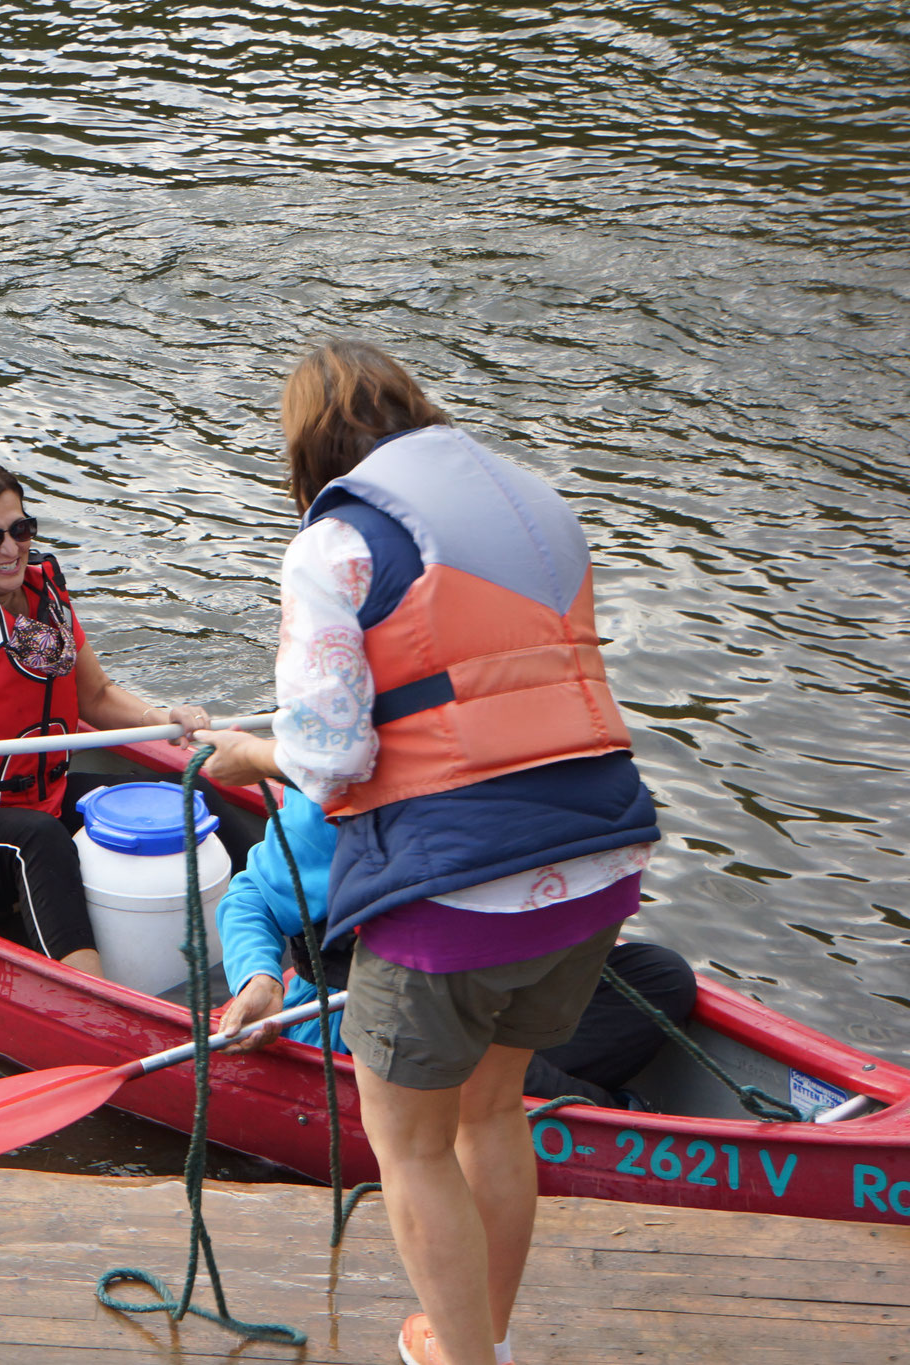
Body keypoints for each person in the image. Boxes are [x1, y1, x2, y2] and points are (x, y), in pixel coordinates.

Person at [196, 340, 660, 1365]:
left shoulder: (336, 545)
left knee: (406, 1145)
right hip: (597, 868)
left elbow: (325, 760)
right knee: (492, 1113)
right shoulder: (538, 505)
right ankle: (474, 1338)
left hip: (454, 891)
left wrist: (246, 754)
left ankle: (463, 1357)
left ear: (308, 445)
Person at [0, 456, 223, 978]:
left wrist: (163, 716)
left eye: (20, 530)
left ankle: (265, 953)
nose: (10, 550)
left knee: (189, 800)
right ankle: (95, 999)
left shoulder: (43, 595)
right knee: (36, 839)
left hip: (37, 799)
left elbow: (95, 696)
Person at [214, 782, 695, 1111]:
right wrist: (260, 976)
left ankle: (555, 1091)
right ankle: (617, 1114)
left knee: (661, 978)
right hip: (371, 1020)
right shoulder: (333, 801)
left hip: (495, 994)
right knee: (491, 1076)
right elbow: (253, 894)